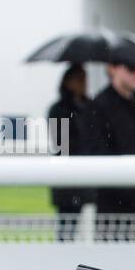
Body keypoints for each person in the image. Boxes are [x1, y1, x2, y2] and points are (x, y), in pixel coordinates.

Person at [90, 53, 135, 239]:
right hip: (115, 209)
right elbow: (98, 154)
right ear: (112, 69)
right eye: (130, 68)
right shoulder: (99, 106)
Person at [46, 63, 97, 241]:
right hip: (67, 177)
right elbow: (61, 143)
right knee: (67, 227)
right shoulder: (59, 109)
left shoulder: (91, 107)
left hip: (87, 175)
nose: (84, 83)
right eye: (79, 79)